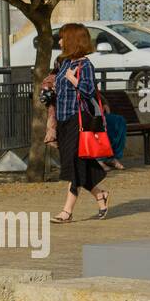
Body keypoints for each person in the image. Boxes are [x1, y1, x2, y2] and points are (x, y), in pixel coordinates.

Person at [50, 23, 110, 223]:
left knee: (73, 165)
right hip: (63, 119)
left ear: (72, 40)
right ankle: (100, 195)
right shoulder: (63, 62)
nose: (59, 41)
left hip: (78, 119)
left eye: (62, 38)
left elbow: (90, 91)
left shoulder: (85, 65)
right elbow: (55, 84)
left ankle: (67, 211)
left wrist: (73, 80)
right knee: (77, 163)